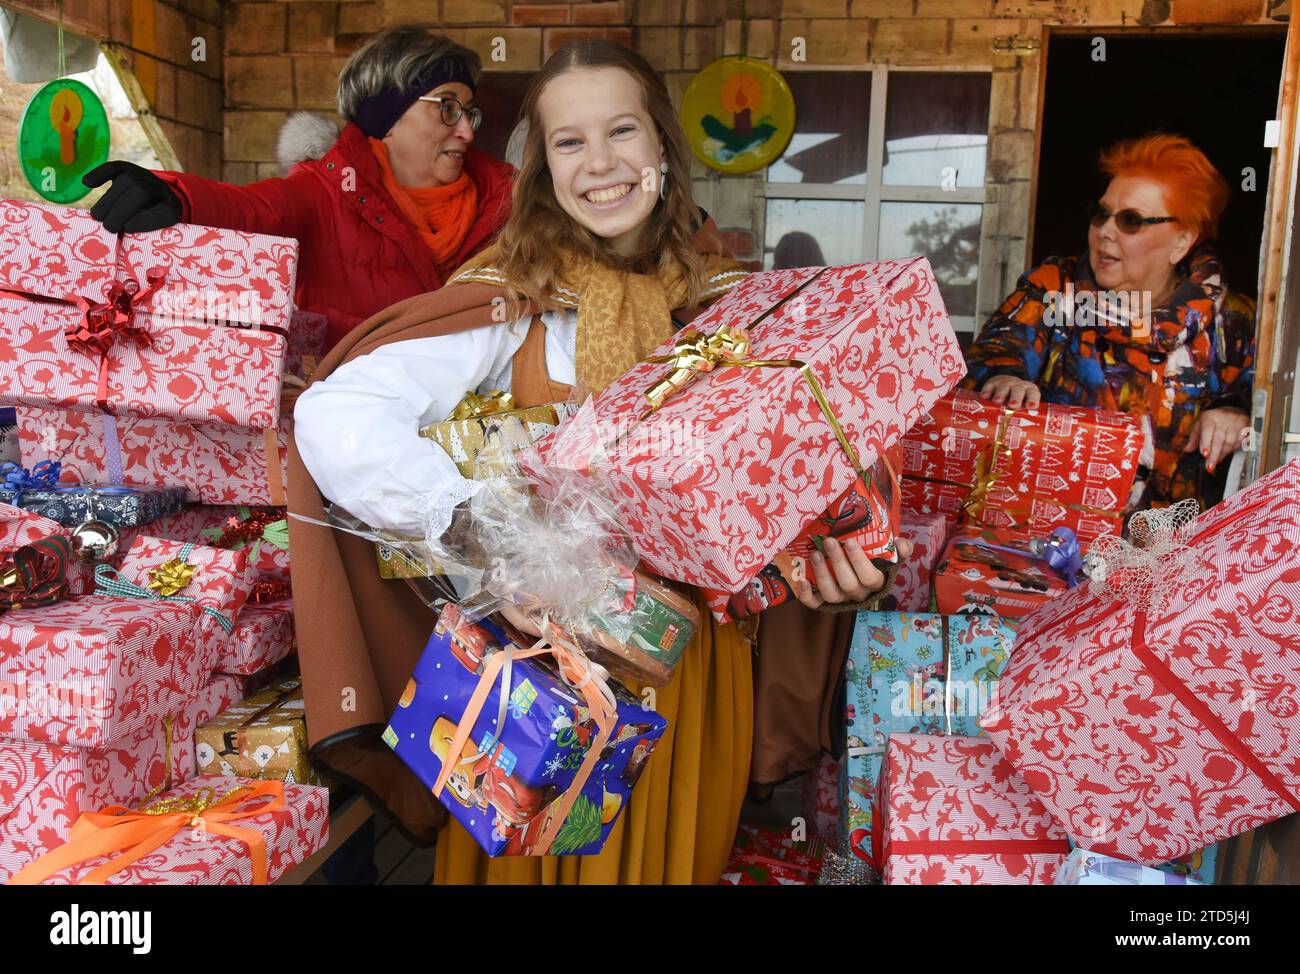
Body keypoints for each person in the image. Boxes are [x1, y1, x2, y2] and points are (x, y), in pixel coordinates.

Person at [288, 39, 900, 883]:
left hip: (695, 675)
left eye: (622, 131)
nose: (602, 163)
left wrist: (843, 570)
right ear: (542, 167)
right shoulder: (510, 300)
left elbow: (803, 488)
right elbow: (334, 412)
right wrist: (483, 529)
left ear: (661, 148)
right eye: (570, 142)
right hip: (540, 677)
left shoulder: (735, 309)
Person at [79, 26, 514, 349]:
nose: (466, 132)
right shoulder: (326, 190)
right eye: (448, 108)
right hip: (347, 440)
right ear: (388, 118)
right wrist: (179, 196)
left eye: (469, 113)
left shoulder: (509, 202)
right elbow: (252, 210)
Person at [965, 134, 1255, 511]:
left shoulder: (1231, 320)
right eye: (1101, 213)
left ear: (1182, 241)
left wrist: (1238, 410)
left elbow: (1276, 405)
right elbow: (998, 347)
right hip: (1047, 538)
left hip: (1170, 552)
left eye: (1131, 220)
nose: (1105, 231)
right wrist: (1002, 375)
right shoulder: (1056, 288)